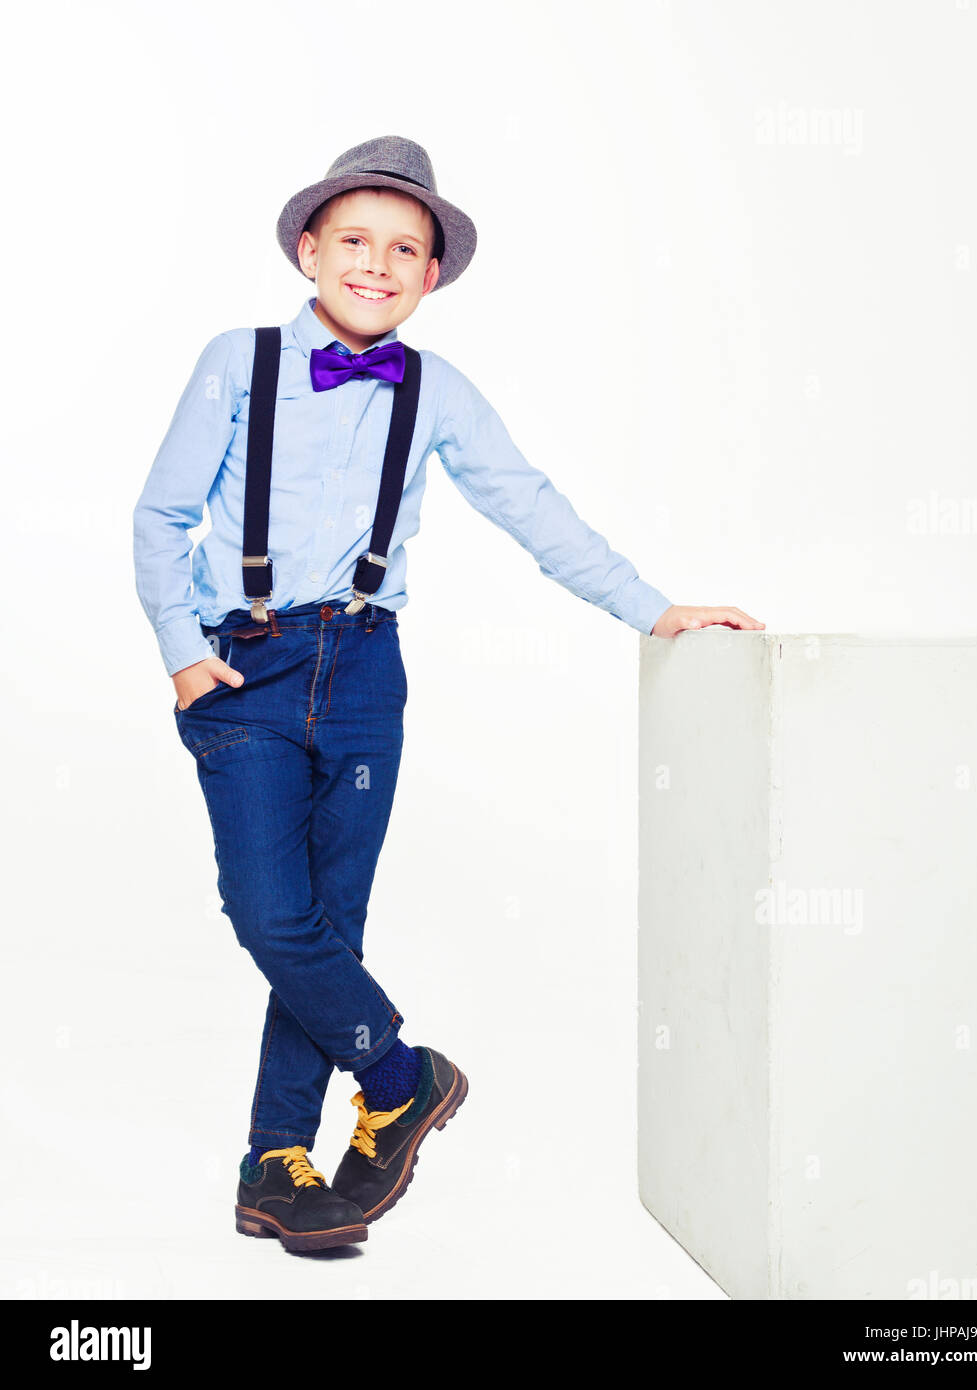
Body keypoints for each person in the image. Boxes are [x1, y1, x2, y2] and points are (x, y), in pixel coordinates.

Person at [132, 135, 765, 1255]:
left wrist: (651, 608)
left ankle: (277, 1161)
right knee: (270, 911)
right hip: (245, 667)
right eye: (356, 241)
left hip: (367, 671)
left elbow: (531, 507)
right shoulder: (238, 361)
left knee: (329, 921)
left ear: (432, 276)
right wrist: (183, 649)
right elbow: (160, 516)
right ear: (307, 248)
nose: (376, 265)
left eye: (404, 250)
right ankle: (400, 1073)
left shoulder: (438, 392)